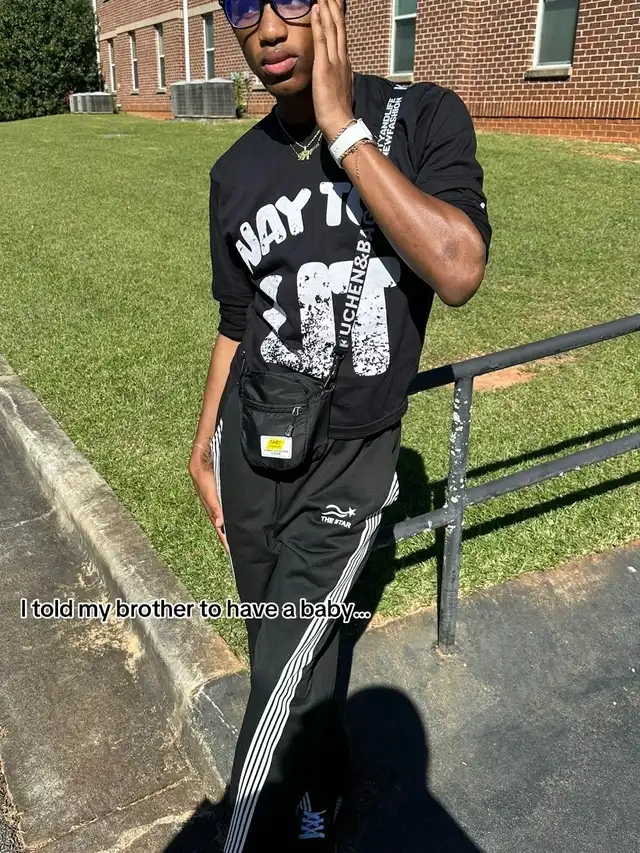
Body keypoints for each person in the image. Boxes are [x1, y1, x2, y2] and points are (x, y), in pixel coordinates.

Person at [189, 0, 492, 850]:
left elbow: (458, 269)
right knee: (287, 648)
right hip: (252, 446)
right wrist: (204, 442)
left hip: (351, 458)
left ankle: (238, 831)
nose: (267, 30)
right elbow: (236, 322)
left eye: (291, 0)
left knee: (279, 668)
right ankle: (322, 781)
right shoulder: (235, 172)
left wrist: (341, 127)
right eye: (243, 7)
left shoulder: (422, 117)